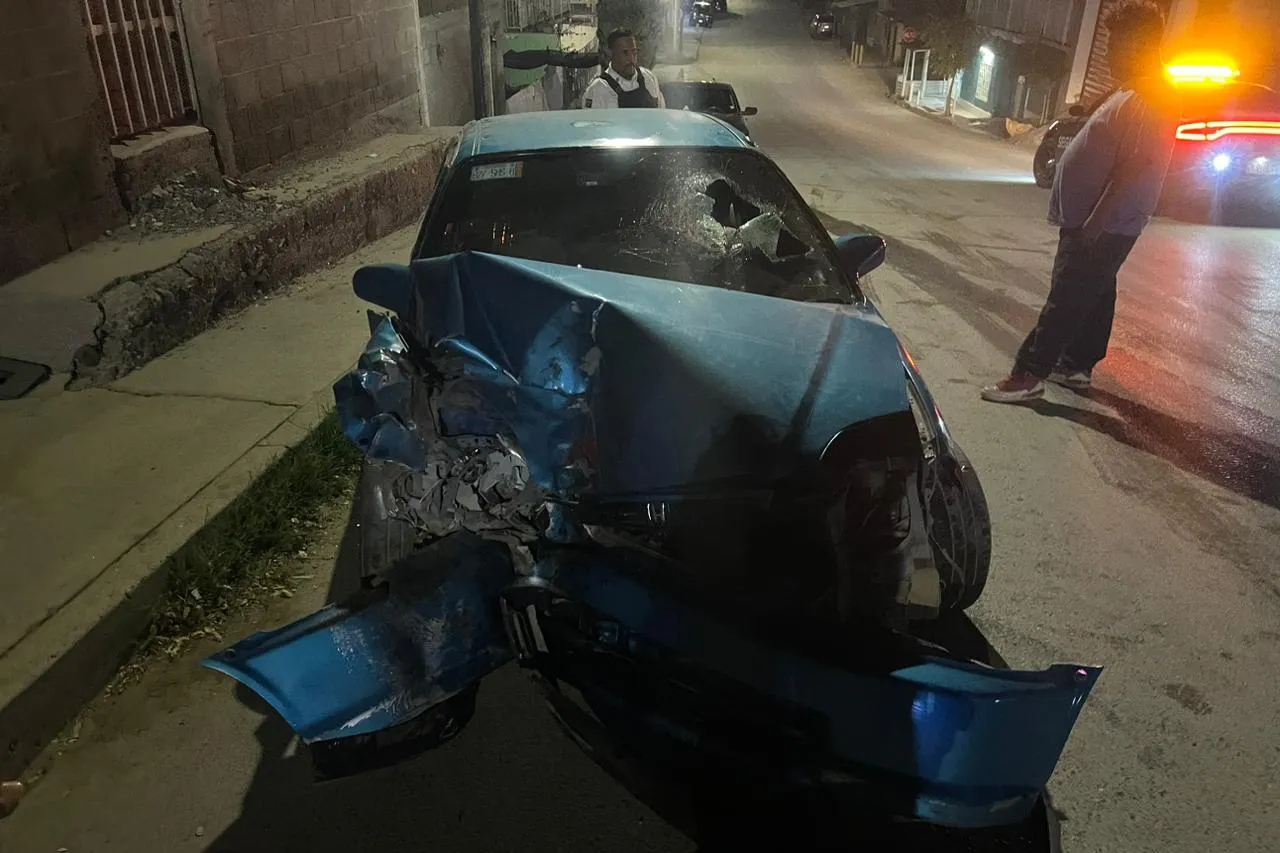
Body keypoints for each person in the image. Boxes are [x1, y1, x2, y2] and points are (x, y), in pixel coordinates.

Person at [981, 1, 1179, 404]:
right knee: (1096, 289)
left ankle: (1027, 375)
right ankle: (1076, 365)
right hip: (1101, 219)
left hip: (1103, 221)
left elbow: (1134, 164)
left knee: (1069, 293)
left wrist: (1095, 221)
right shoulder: (1135, 89)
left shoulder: (1150, 95)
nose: (1108, 53)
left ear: (1138, 45)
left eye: (1115, 44)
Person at [583, 29, 666, 109]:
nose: (631, 58)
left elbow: (661, 114)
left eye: (634, 52)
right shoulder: (597, 89)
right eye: (625, 53)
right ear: (611, 54)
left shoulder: (649, 78)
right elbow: (591, 121)